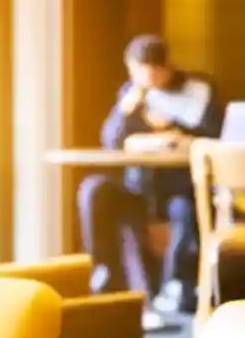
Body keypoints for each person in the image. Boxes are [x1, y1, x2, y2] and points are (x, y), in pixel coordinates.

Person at [78, 35, 220, 313]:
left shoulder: (198, 90)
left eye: (156, 70)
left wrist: (176, 136)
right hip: (139, 187)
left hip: (180, 187)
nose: (150, 77)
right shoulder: (132, 94)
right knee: (94, 190)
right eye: (142, 70)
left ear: (168, 65)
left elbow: (210, 135)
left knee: (185, 209)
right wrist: (125, 110)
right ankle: (104, 273)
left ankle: (177, 285)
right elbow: (112, 142)